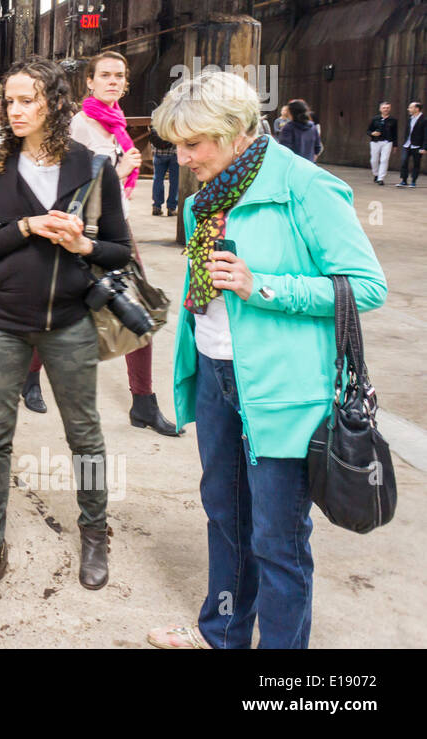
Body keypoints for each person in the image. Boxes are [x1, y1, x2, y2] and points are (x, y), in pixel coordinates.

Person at [146, 70, 386, 650]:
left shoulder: (307, 187)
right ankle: (222, 633)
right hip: (215, 370)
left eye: (192, 143)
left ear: (235, 132)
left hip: (281, 388)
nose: (181, 157)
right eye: (176, 144)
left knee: (277, 538)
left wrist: (265, 287)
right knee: (225, 519)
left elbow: (367, 287)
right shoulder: (211, 193)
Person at [0, 56, 131, 603]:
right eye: (8, 100)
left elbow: (119, 249)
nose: (14, 110)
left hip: (71, 322)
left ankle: (94, 535)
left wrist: (84, 245)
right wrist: (27, 226)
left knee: (84, 434)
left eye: (26, 99)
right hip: (5, 323)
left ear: (54, 103)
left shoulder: (92, 166)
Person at [36, 49, 175, 436]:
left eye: (120, 76)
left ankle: (143, 402)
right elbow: (68, 185)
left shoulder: (117, 125)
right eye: (106, 75)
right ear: (91, 82)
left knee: (138, 310)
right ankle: (30, 376)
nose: (114, 81)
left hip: (119, 229)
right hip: (84, 231)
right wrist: (120, 169)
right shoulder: (80, 125)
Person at [150, 114, 179, 216]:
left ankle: (156, 206)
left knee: (158, 179)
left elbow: (152, 132)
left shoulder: (156, 113)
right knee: (174, 181)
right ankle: (171, 208)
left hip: (158, 153)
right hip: (174, 153)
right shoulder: (177, 113)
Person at [367, 102, 397, 186]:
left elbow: (395, 133)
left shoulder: (393, 120)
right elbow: (368, 130)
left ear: (390, 109)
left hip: (387, 142)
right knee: (374, 160)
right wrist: (372, 133)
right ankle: (376, 174)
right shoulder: (375, 119)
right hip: (375, 141)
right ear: (380, 109)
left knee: (384, 159)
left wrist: (395, 145)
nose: (386, 109)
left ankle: (381, 178)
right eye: (384, 108)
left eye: (387, 108)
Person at [396, 100, 423, 187]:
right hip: (407, 144)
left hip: (417, 145)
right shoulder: (410, 119)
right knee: (404, 161)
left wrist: (424, 147)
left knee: (416, 163)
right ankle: (404, 180)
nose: (409, 109)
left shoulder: (424, 120)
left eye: (411, 107)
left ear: (417, 109)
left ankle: (413, 181)